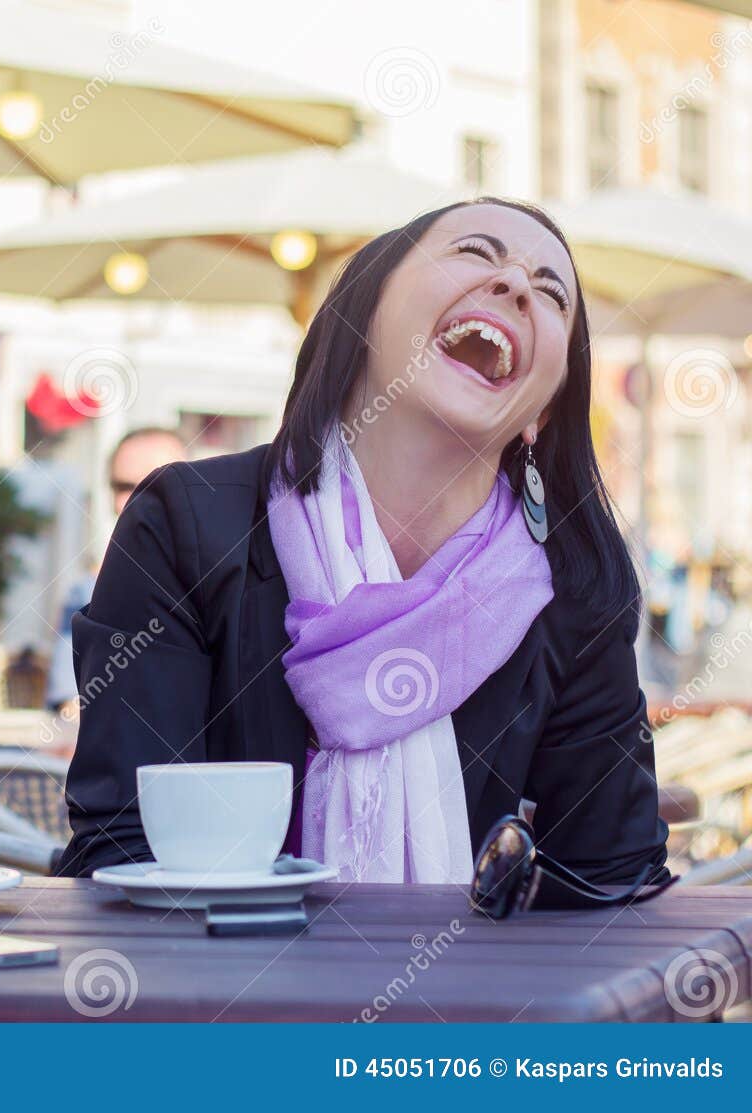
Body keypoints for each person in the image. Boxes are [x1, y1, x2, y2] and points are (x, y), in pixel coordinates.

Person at [59, 199, 668, 887]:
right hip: (220, 963)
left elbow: (613, 880)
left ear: (543, 411)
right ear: (364, 311)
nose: (517, 285)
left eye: (553, 293)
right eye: (476, 252)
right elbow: (126, 849)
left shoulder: (573, 587)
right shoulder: (186, 526)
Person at [46, 427, 186, 711]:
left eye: (154, 485)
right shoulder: (89, 591)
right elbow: (71, 705)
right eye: (122, 487)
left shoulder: (231, 582)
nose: (134, 500)